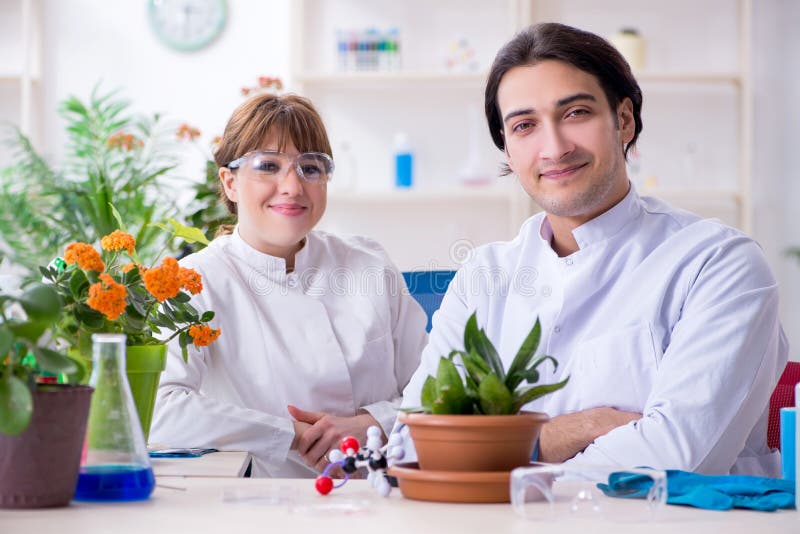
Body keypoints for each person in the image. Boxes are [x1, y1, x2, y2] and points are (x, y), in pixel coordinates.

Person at [401, 23, 788, 476]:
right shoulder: (484, 274)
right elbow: (412, 443)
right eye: (524, 126)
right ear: (507, 149)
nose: (555, 148)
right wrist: (557, 435)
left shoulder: (717, 263)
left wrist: (490, 455)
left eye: (576, 113)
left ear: (623, 120)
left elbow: (679, 458)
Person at [151, 93, 428, 477]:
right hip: (266, 508)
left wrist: (373, 422)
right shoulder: (197, 281)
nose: (293, 187)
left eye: (310, 168)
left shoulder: (369, 264)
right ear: (229, 182)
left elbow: (437, 392)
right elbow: (160, 409)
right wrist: (288, 435)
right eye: (268, 166)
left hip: (385, 500)